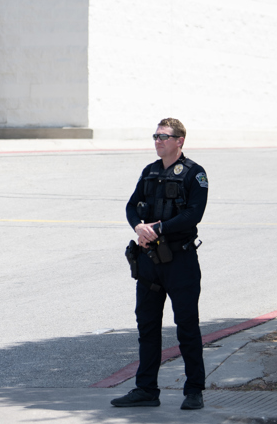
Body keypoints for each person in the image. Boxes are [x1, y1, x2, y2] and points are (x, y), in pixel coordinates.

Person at [110, 118, 208, 411]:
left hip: (180, 261)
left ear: (180, 140)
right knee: (147, 327)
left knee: (187, 327)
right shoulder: (150, 171)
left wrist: (158, 228)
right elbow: (131, 206)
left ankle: (193, 391)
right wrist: (139, 227)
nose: (158, 141)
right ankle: (146, 389)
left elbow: (193, 215)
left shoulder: (195, 173)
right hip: (150, 262)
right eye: (155, 136)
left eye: (164, 136)